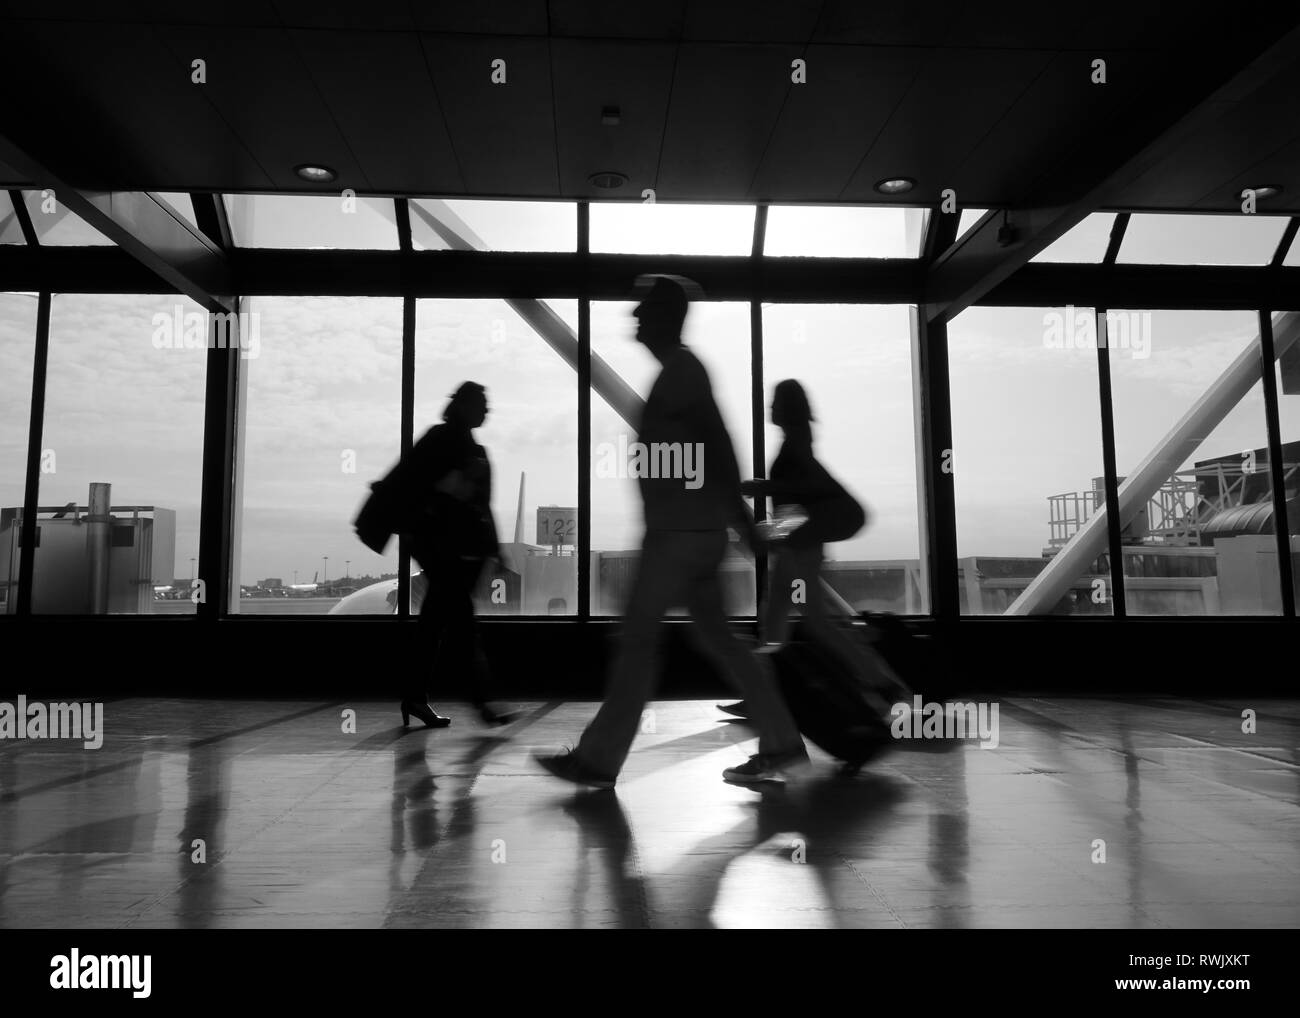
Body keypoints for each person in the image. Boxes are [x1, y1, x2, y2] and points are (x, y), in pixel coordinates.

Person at [535, 275, 808, 789]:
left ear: (663, 319)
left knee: (638, 641)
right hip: (694, 535)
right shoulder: (682, 372)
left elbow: (718, 451)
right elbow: (714, 451)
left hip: (677, 537)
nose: (634, 319)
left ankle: (596, 760)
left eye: (643, 311)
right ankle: (782, 744)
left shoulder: (681, 373)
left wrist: (742, 524)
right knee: (724, 643)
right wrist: (737, 526)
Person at [723, 379, 903, 719]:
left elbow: (804, 493)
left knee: (813, 622)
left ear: (787, 407)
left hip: (799, 553)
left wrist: (765, 488)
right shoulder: (797, 441)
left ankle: (880, 682)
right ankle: (762, 694)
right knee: (775, 621)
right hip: (797, 548)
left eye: (775, 402)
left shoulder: (797, 444)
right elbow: (800, 505)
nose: (769, 409)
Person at [391, 381, 518, 729]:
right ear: (464, 406)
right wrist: (494, 547)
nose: (486, 410)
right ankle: (481, 703)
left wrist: (494, 547)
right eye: (481, 403)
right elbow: (441, 494)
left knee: (434, 625)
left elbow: (476, 503)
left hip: (452, 551)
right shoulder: (456, 446)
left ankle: (415, 698)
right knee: (462, 625)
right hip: (447, 552)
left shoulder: (457, 445)